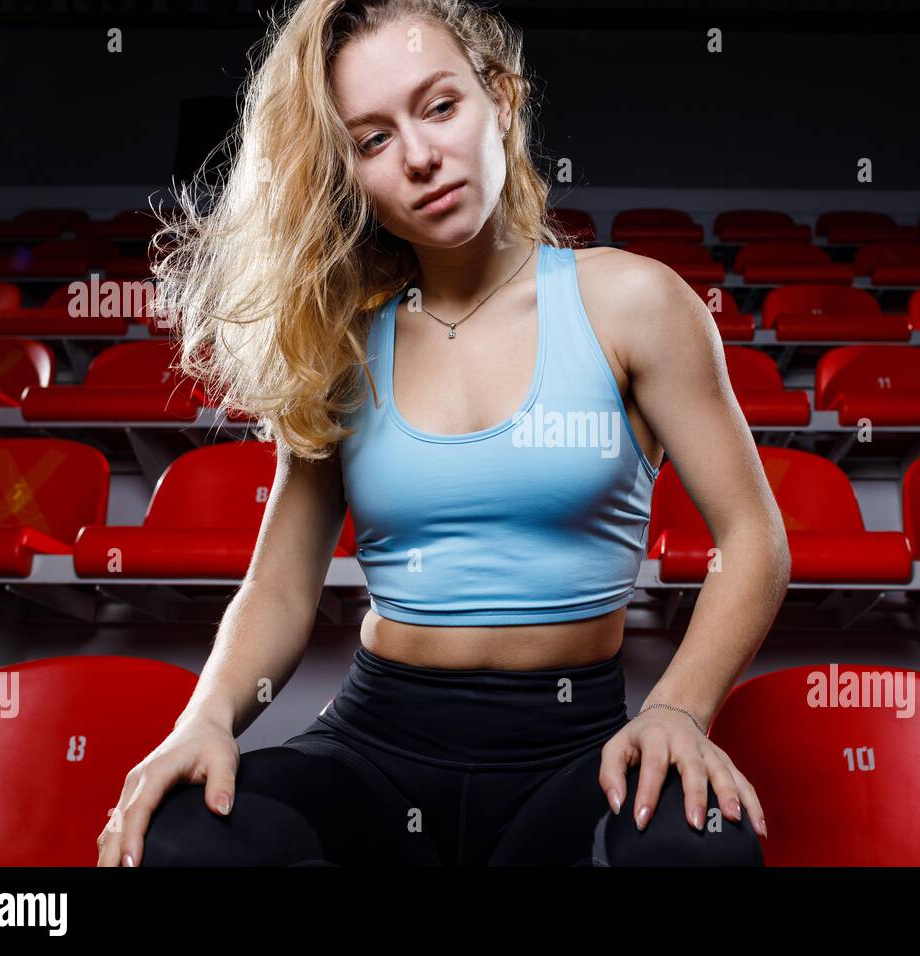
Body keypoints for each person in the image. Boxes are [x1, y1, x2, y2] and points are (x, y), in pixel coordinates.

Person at [96, 0, 789, 868]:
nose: (420, 156)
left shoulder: (634, 303)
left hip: (572, 752)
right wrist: (201, 721)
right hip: (375, 746)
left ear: (501, 98)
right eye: (373, 139)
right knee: (181, 841)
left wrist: (678, 709)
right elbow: (280, 586)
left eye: (439, 106)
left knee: (698, 848)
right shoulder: (341, 337)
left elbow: (753, 538)